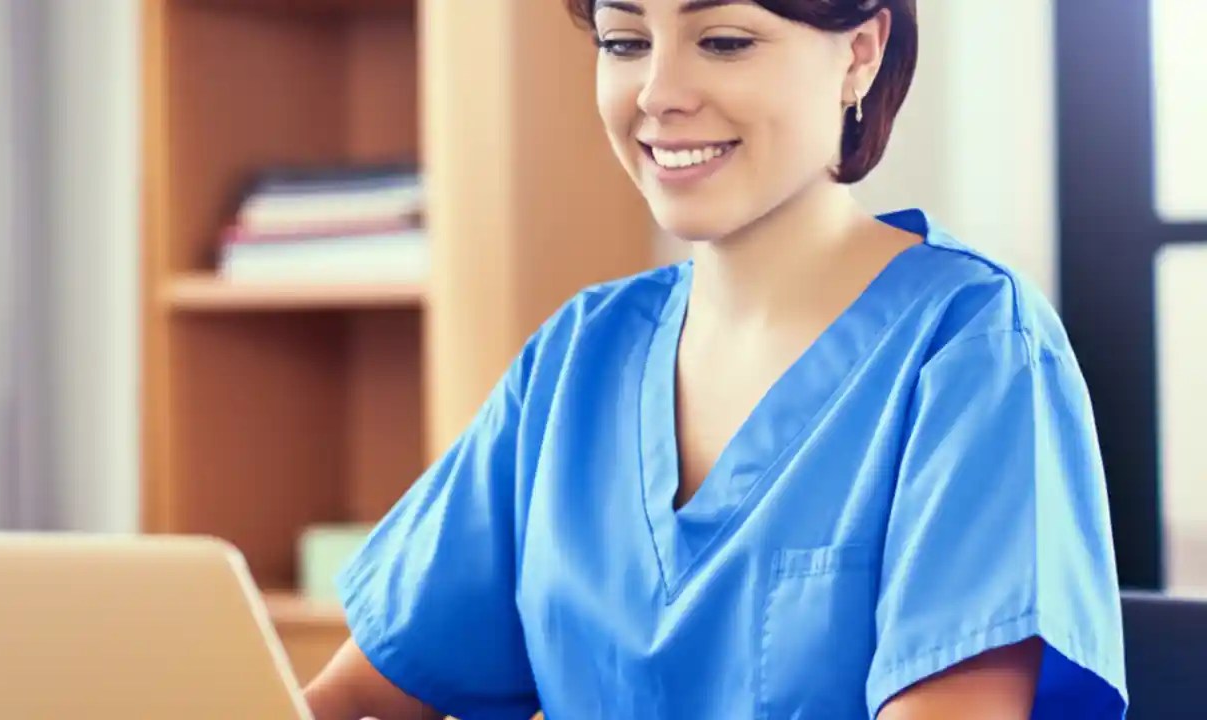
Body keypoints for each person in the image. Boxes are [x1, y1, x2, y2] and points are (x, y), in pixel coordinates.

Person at [303, 0, 1128, 717]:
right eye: (625, 41)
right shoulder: (578, 355)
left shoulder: (971, 345)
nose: (659, 93)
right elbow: (355, 696)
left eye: (725, 41)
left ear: (861, 53)